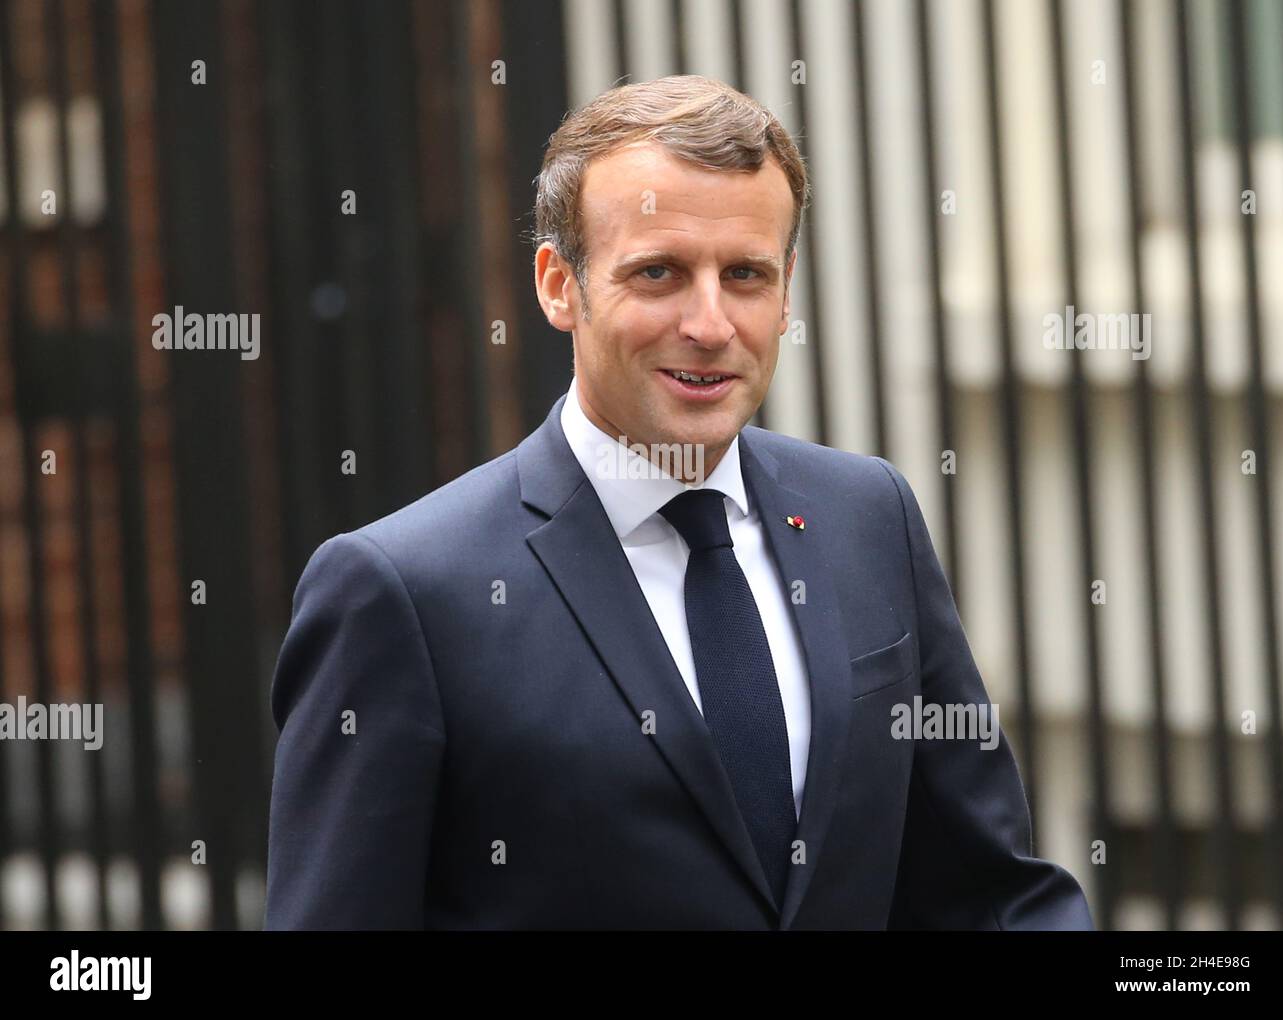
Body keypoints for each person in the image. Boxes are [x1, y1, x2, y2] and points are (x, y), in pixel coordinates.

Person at [264, 75, 1093, 930]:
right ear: (558, 285)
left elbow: (989, 894)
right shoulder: (401, 591)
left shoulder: (867, 515)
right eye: (658, 273)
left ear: (786, 288)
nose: (709, 323)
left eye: (745, 275)